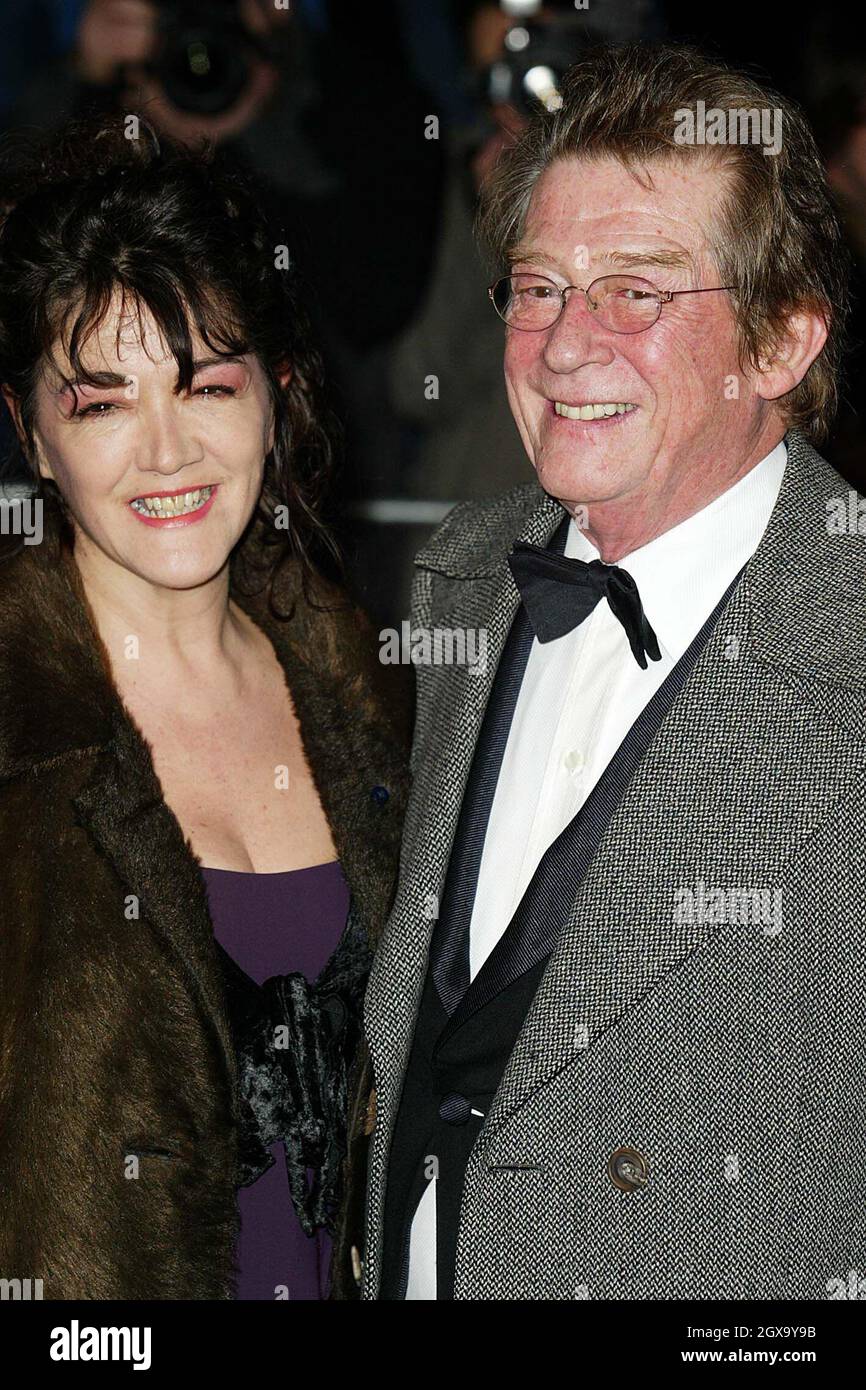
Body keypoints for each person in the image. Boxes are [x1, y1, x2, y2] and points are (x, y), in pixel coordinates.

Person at [354, 42, 866, 1299]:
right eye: (536, 288)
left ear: (780, 340)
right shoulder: (463, 578)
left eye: (634, 292)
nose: (562, 346)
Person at [0, 114, 410, 1300]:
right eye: (102, 404)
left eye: (207, 385)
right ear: (32, 433)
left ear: (275, 396)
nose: (168, 452)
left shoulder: (381, 700)